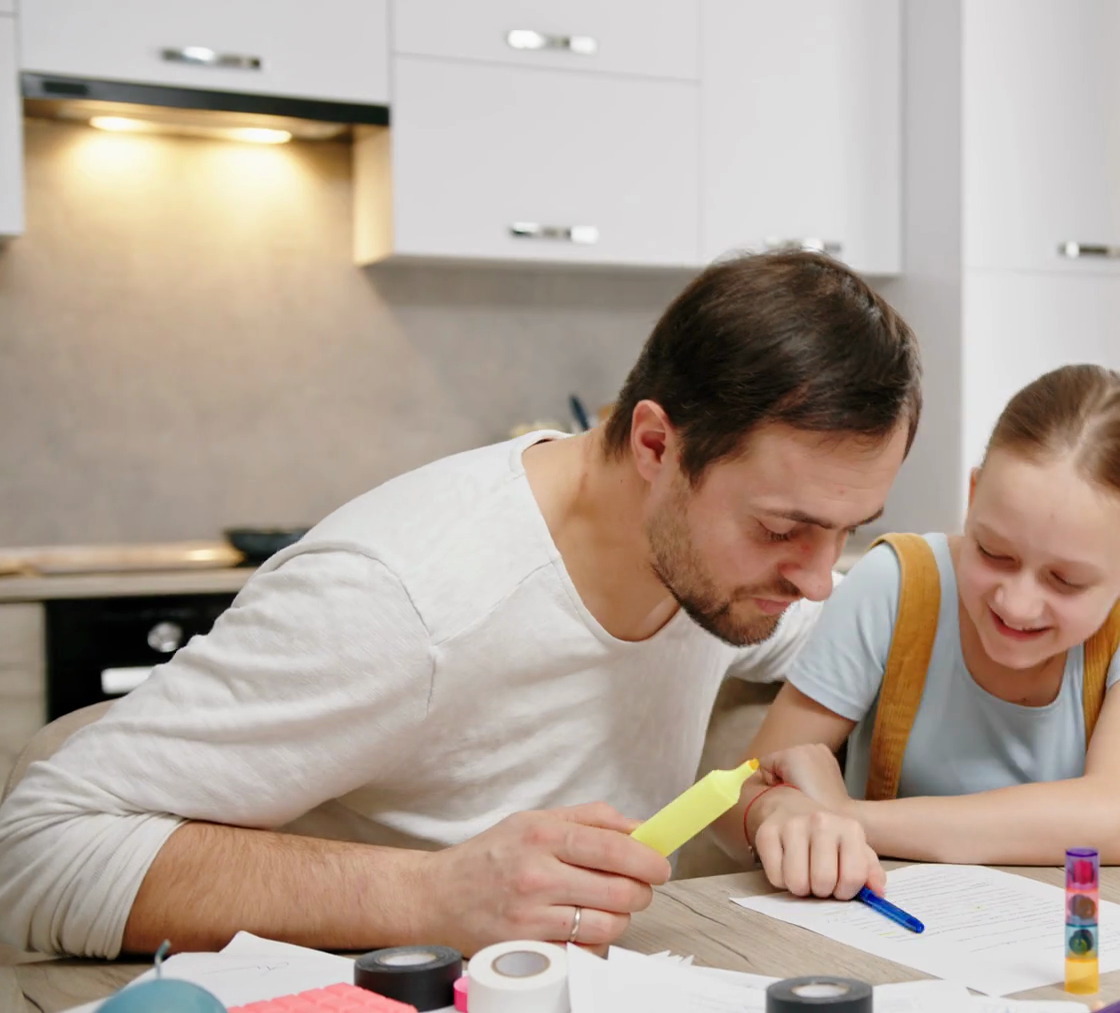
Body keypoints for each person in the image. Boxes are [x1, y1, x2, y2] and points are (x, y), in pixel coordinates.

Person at [0, 251, 922, 957]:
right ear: (655, 445)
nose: (814, 575)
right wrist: (428, 895)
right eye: (781, 528)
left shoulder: (719, 567)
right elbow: (35, 851)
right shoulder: (404, 598)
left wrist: (776, 798)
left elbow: (832, 630)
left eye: (845, 531)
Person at [716, 365, 1120, 901]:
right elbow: (733, 797)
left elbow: (1118, 821)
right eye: (993, 552)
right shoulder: (896, 585)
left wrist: (847, 816)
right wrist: (775, 811)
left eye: (1066, 580)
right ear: (972, 496)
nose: (1016, 603)